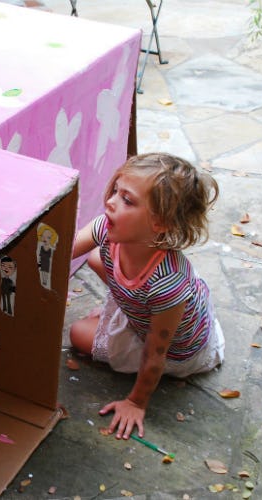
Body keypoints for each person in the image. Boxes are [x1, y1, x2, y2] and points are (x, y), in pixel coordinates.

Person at [70, 153, 225, 440]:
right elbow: (62, 249)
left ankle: (127, 311)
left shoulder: (168, 285)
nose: (110, 202)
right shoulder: (107, 227)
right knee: (94, 257)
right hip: (156, 305)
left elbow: (156, 354)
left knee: (78, 333)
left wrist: (136, 402)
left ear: (160, 223)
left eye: (127, 200)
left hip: (178, 351)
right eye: (116, 190)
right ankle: (125, 305)